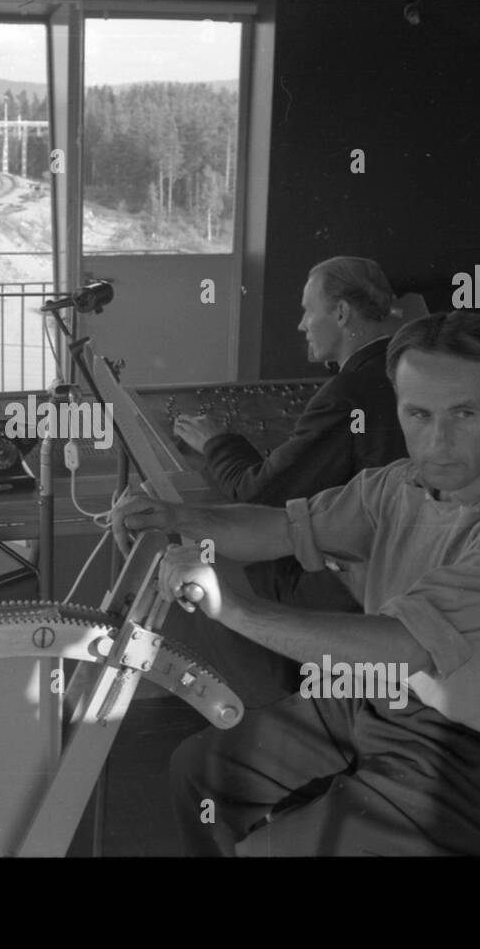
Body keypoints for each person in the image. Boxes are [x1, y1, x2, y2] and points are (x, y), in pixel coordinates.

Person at [113, 311, 480, 856]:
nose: (439, 442)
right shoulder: (397, 485)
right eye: (419, 414)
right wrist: (175, 517)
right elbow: (279, 529)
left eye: (464, 413)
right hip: (382, 700)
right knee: (200, 773)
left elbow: (405, 646)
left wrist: (231, 607)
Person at [167, 257, 409, 703]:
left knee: (242, 554)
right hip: (404, 569)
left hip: (359, 587)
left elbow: (258, 491)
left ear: (341, 313)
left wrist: (216, 442)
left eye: (307, 310)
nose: (301, 325)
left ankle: (280, 700)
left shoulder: (348, 391)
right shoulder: (408, 369)